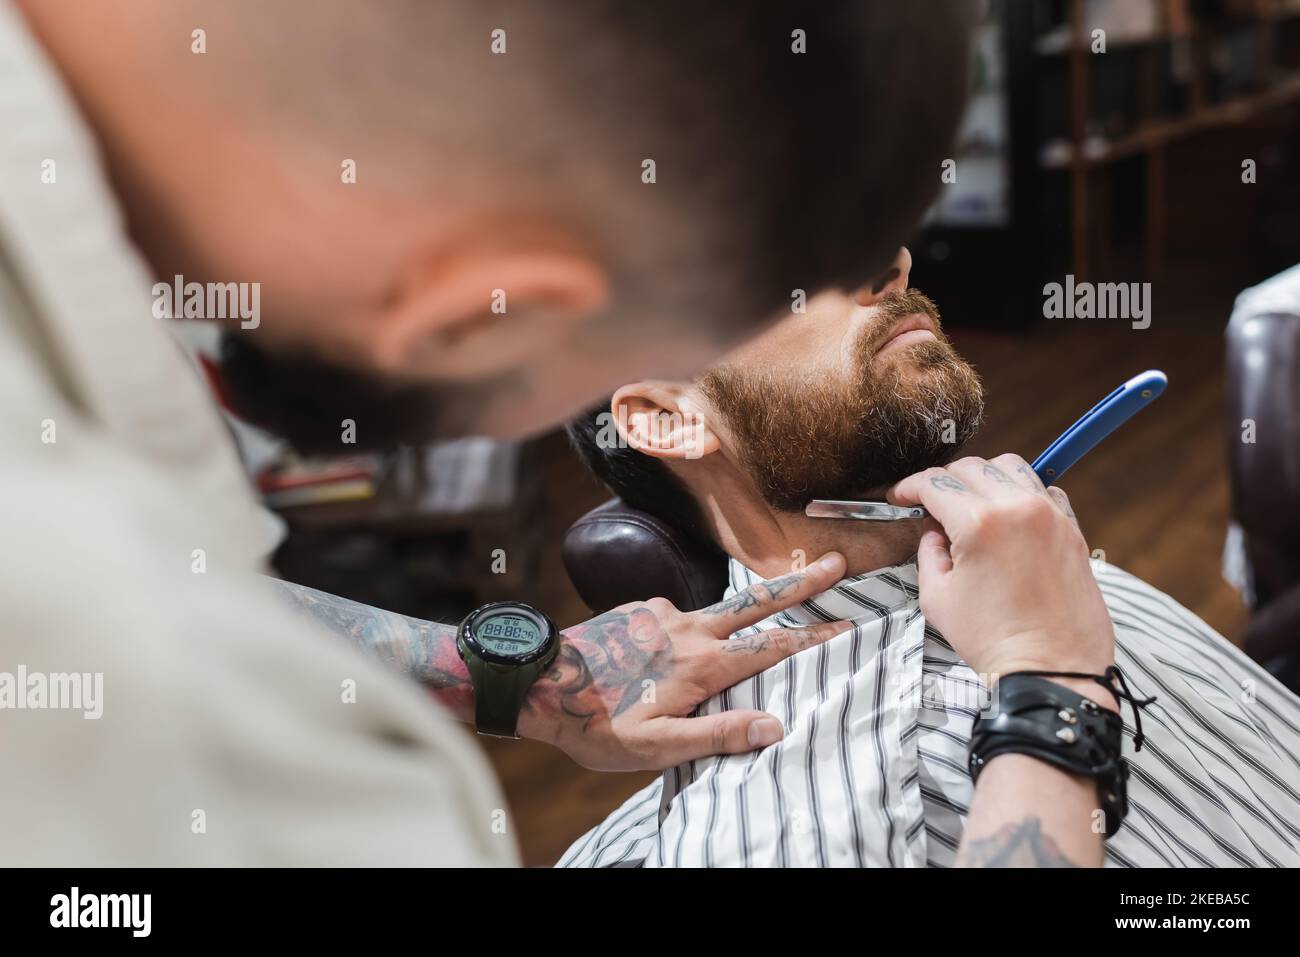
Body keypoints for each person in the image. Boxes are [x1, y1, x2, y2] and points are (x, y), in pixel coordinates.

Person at [0, 1, 977, 863]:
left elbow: (216, 591)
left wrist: (522, 678)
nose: (891, 288)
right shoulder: (90, 628)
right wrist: (1055, 706)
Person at [562, 250, 1300, 867]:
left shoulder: (1035, 556)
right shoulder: (791, 814)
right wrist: (1050, 671)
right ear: (668, 420)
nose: (892, 261)